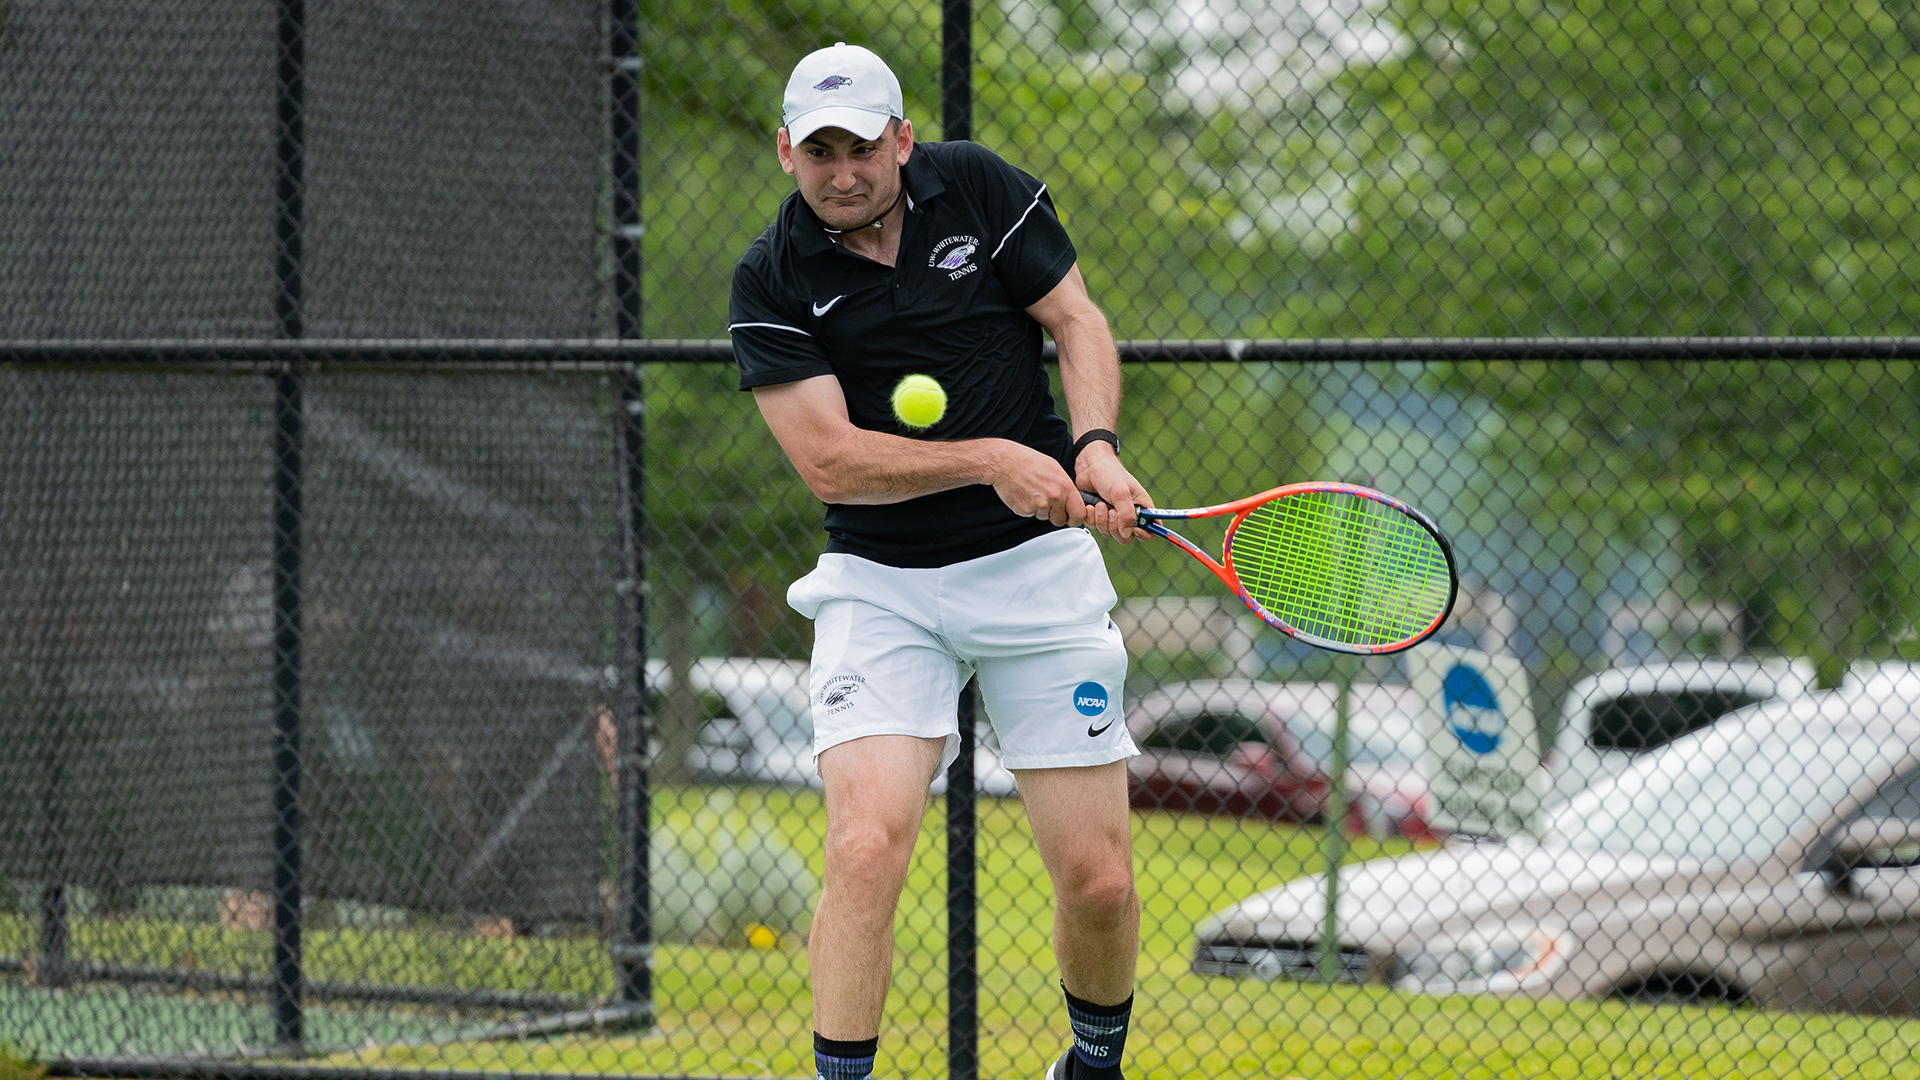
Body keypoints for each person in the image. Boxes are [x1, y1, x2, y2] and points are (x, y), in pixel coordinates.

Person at [727, 42, 1152, 1080]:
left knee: (1098, 880)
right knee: (865, 846)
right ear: (787, 151)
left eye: (861, 145)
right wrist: (992, 460)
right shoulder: (770, 276)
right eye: (818, 149)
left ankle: (1092, 1068)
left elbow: (1077, 321)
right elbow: (829, 462)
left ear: (901, 141)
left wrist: (1090, 446)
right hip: (882, 588)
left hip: (1036, 573)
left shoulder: (978, 186)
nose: (842, 170)